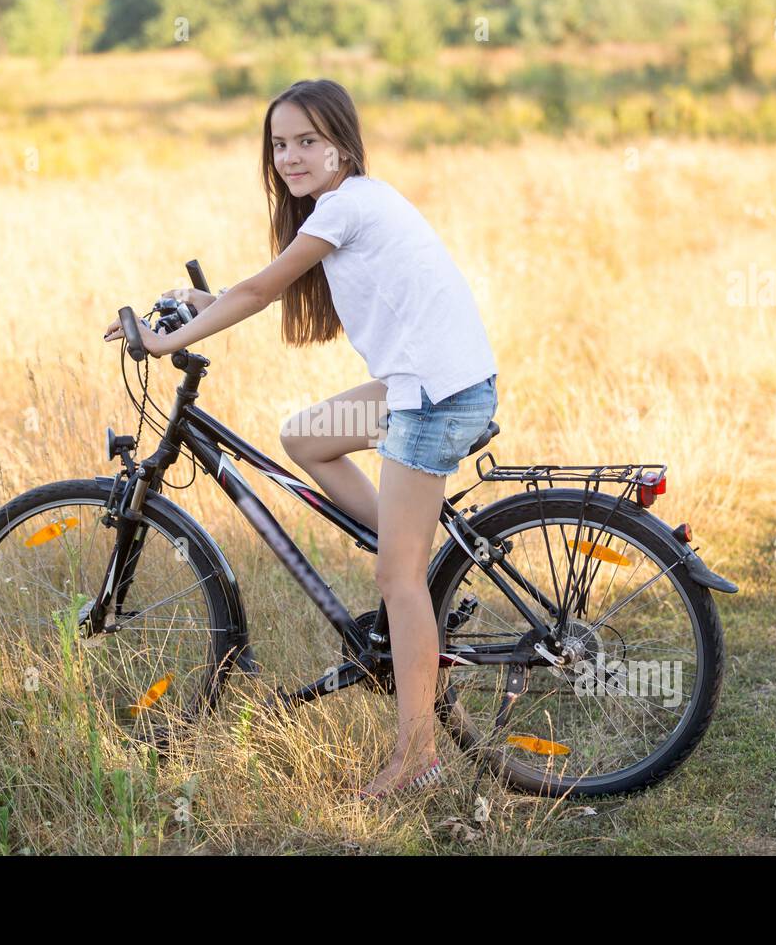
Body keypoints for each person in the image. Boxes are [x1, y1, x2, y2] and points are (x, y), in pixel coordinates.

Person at [104, 78, 499, 798]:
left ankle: (418, 759)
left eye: (307, 141)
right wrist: (196, 303)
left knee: (397, 581)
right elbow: (266, 286)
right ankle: (418, 556)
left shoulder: (345, 207)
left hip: (433, 398)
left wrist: (170, 344)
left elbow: (259, 292)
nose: (291, 156)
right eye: (279, 144)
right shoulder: (347, 206)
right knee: (309, 437)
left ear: (343, 145)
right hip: (431, 382)